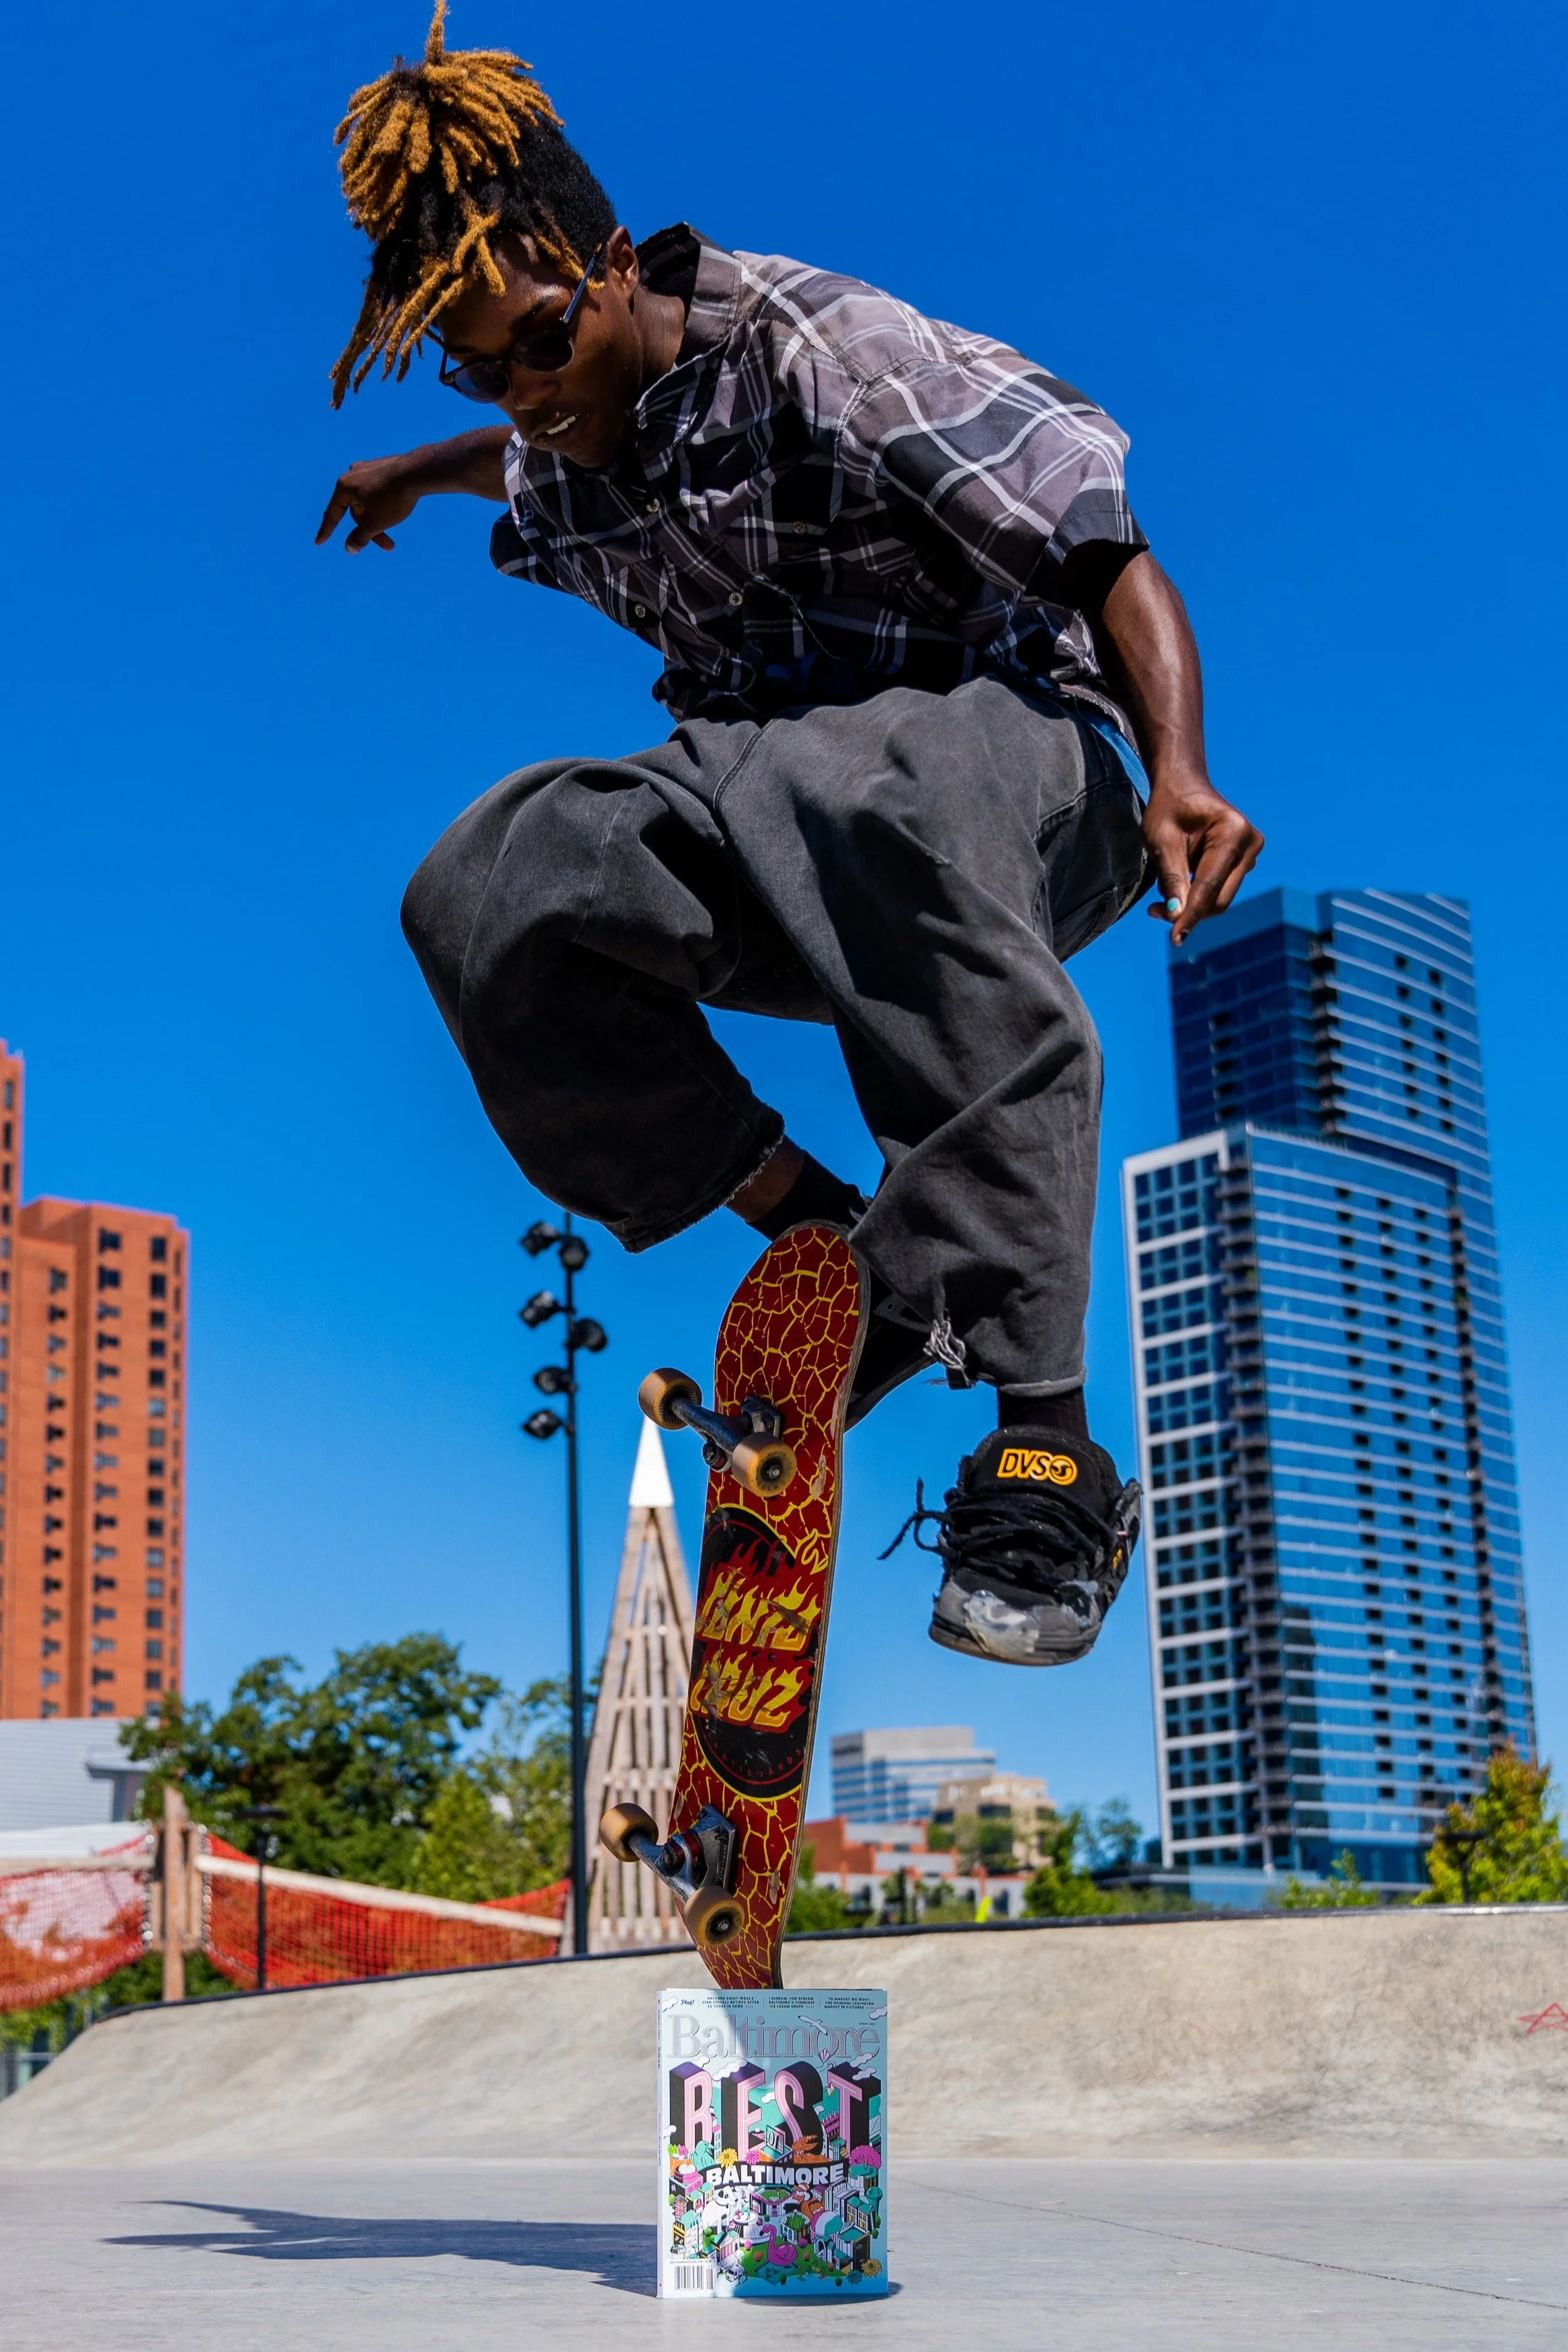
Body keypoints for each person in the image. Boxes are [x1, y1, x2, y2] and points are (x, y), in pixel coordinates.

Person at [317, 6, 1263, 1669]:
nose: (526, 399)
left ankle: (1044, 1445)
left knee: (877, 774)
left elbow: (1101, 546)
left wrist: (1181, 765)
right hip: (789, 833)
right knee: (494, 881)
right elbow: (510, 461)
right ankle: (833, 1237)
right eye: (481, 370)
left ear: (613, 264)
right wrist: (416, 462)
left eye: (538, 342)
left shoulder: (821, 343)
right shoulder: (559, 440)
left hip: (1034, 770)